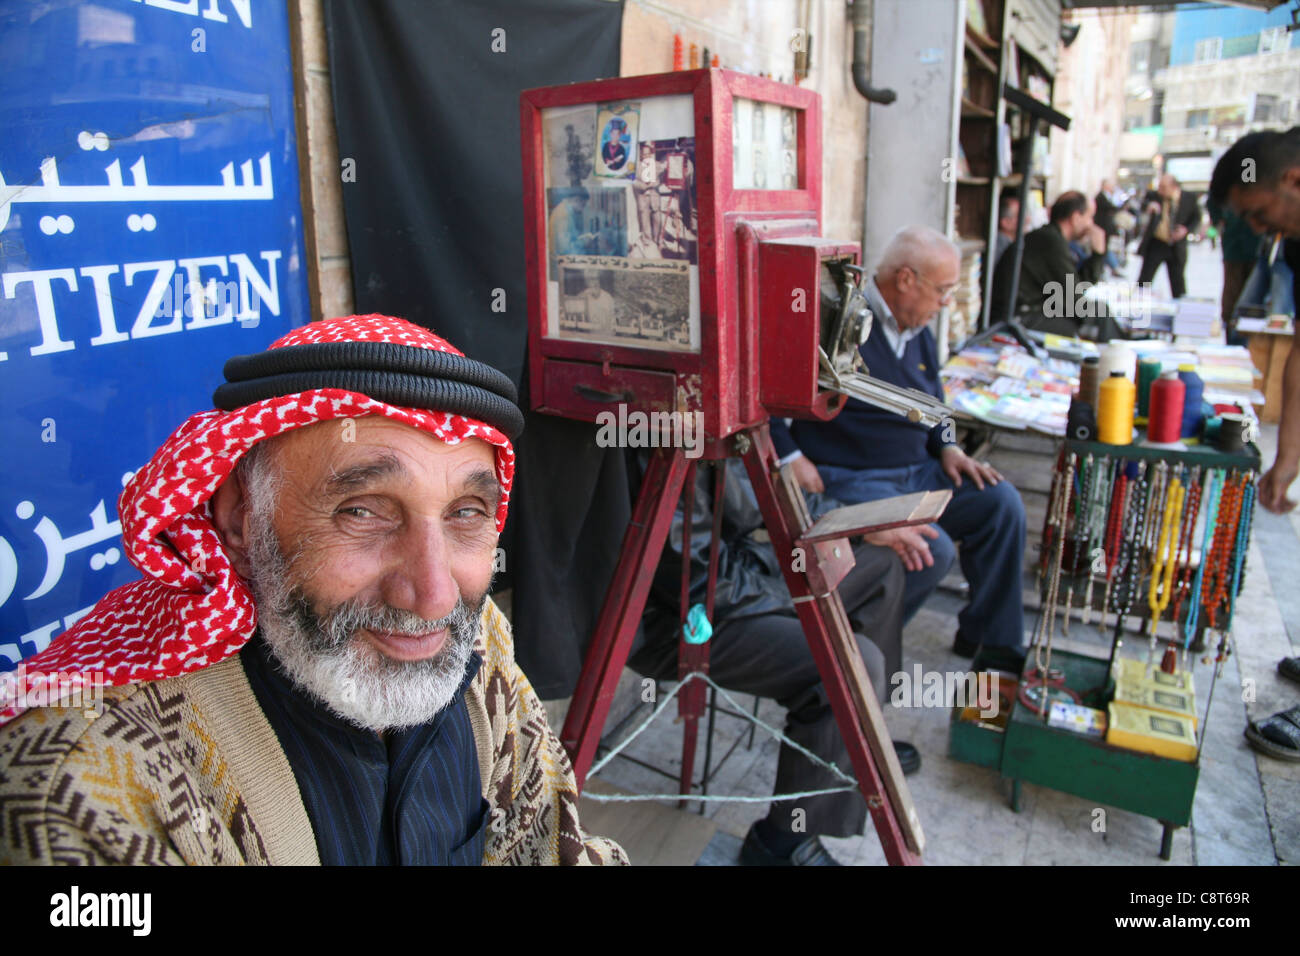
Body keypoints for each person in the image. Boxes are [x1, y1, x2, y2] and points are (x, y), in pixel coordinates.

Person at [0, 315, 627, 865]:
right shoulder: (83, 790)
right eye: (362, 512)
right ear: (240, 519)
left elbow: (546, 842)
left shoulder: (476, 636)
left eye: (465, 512)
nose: (433, 596)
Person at [629, 458, 918, 866]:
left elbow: (759, 500)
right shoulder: (661, 423)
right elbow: (696, 582)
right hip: (677, 618)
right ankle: (782, 842)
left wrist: (858, 524)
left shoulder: (716, 413)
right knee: (854, 664)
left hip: (732, 576)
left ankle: (861, 743)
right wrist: (795, 593)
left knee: (881, 566)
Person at [775, 226, 1028, 674]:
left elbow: (935, 406)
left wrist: (949, 448)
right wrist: (790, 456)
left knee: (1001, 503)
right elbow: (763, 397)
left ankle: (991, 641)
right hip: (855, 477)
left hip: (919, 471)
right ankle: (855, 667)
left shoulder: (918, 331)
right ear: (906, 279)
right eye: (943, 290)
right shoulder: (838, 320)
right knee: (934, 550)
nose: (948, 302)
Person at [1210, 126, 1300, 763]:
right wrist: (1286, 457)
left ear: (1294, 180)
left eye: (1261, 214)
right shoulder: (1294, 242)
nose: (1264, 232)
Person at [989, 191, 1110, 337]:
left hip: (1027, 312)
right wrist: (1098, 255)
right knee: (1099, 314)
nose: (1091, 224)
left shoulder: (1051, 238)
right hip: (1017, 317)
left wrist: (1096, 257)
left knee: (1094, 313)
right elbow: (1075, 298)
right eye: (1089, 217)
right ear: (1075, 218)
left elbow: (1076, 289)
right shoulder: (1050, 242)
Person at [1208, 195, 1264, 344]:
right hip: (1235, 247)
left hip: (1257, 247)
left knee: (1254, 302)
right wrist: (1220, 219)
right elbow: (1214, 197)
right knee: (1232, 298)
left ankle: (1248, 344)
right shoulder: (1237, 175)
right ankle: (1233, 342)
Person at [1137, 173, 1201, 299]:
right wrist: (1149, 206)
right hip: (1157, 243)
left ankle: (1180, 308)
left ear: (1173, 187)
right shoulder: (1155, 196)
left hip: (1176, 246)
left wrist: (1186, 230)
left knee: (1178, 283)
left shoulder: (1189, 198)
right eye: (1159, 187)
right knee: (1145, 279)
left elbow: (1196, 218)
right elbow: (1144, 203)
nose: (1160, 190)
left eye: (1163, 187)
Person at [992, 192, 1020, 268]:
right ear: (1005, 223)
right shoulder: (1001, 246)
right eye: (1019, 215)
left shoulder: (1008, 243)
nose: (1028, 219)